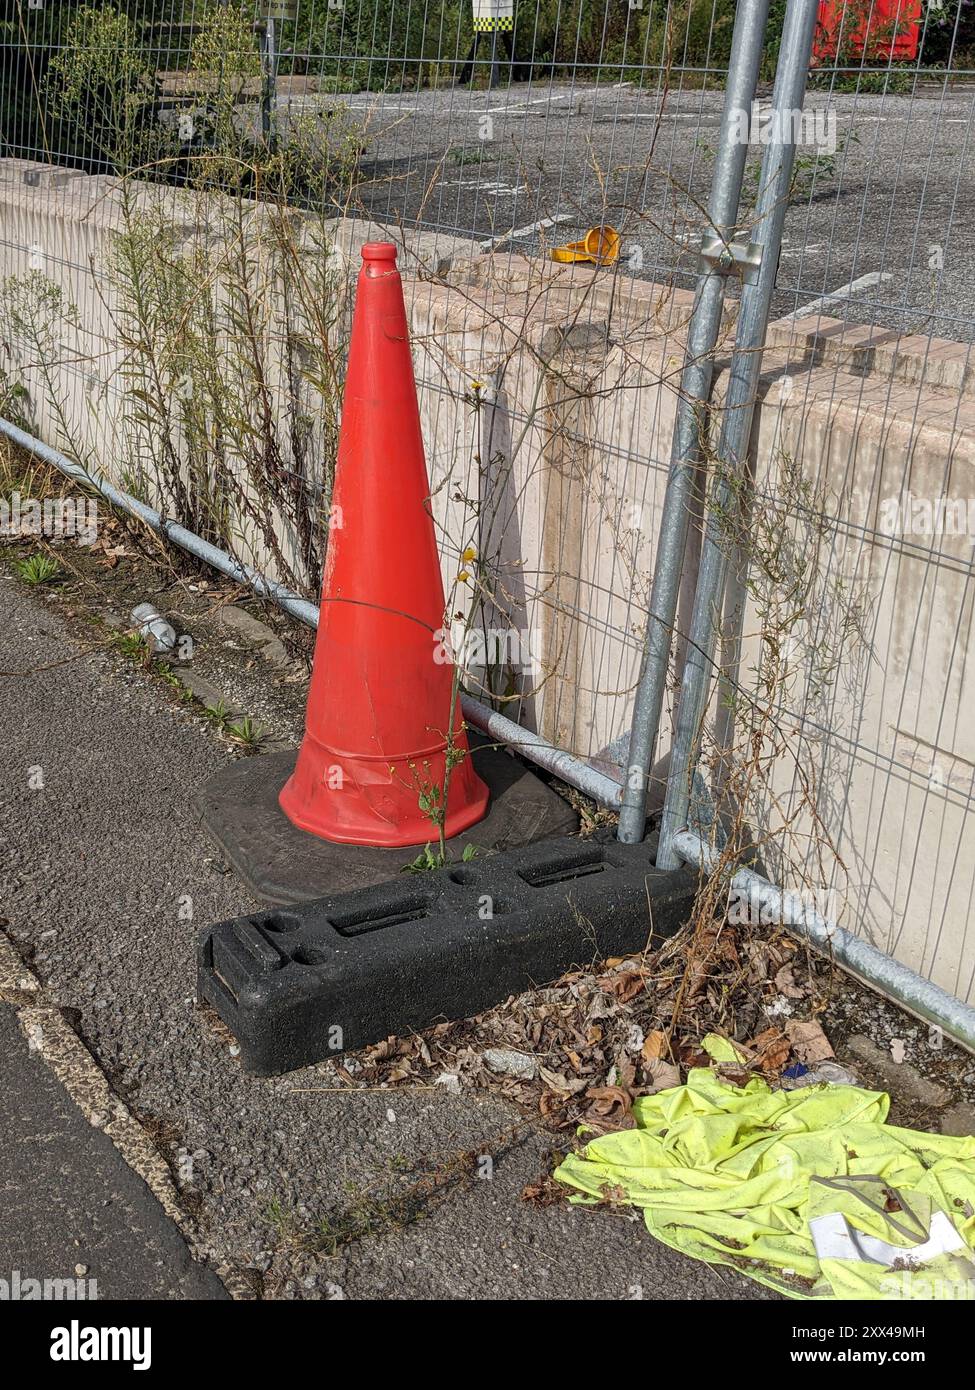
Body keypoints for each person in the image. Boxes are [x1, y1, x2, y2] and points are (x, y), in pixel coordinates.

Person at [458, 0, 515, 88]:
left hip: (492, 20)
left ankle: (506, 78)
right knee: (505, 41)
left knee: (503, 40)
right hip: (490, 20)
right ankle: (510, 77)